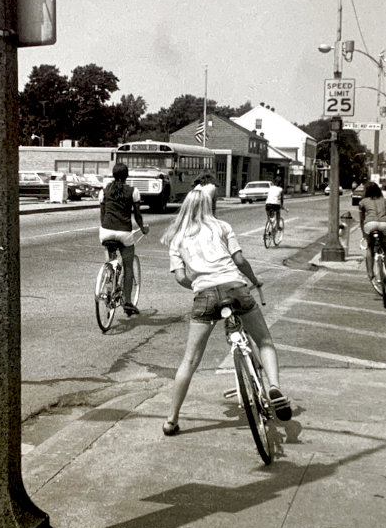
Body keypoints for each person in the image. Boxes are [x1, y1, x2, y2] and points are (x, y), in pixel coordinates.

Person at [160, 190, 291, 436]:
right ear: (211, 206)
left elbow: (180, 277)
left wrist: (200, 286)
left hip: (205, 296)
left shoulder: (176, 238)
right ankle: (274, 387)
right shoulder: (221, 226)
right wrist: (255, 280)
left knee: (190, 360)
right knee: (264, 340)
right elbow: (239, 260)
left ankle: (171, 419)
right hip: (235, 286)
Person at [99, 162, 149, 316]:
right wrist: (142, 228)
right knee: (128, 267)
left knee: (111, 261)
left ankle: (108, 288)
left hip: (106, 231)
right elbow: (137, 215)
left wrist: (106, 227)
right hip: (124, 232)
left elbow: (102, 213)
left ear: (113, 175)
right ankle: (127, 302)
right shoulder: (133, 191)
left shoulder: (104, 190)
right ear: (127, 176)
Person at [358, 181, 386, 287]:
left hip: (370, 224)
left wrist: (364, 234)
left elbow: (361, 220)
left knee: (370, 248)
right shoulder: (384, 201)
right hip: (384, 224)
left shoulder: (363, 202)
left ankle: (370, 274)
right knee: (385, 250)